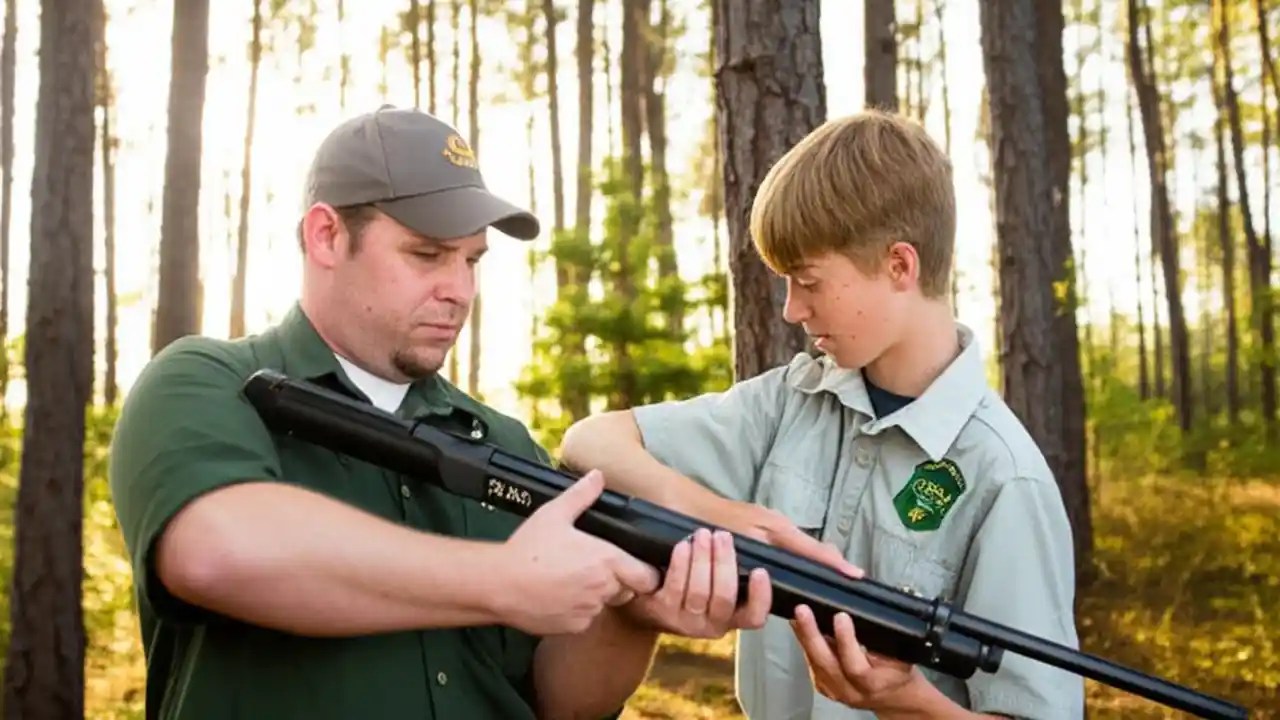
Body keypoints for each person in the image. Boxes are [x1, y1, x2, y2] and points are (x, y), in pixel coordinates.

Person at [108, 105, 779, 720]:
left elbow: (556, 700)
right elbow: (219, 552)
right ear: (325, 236)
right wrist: (502, 581)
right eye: (426, 254)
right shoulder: (204, 384)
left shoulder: (505, 442)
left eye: (472, 260)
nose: (458, 291)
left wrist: (633, 614)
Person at [559, 110, 1084, 719]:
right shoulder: (791, 401)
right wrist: (718, 515)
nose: (790, 310)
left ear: (899, 266)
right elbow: (591, 441)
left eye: (808, 281)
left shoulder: (1002, 475)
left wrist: (909, 703)